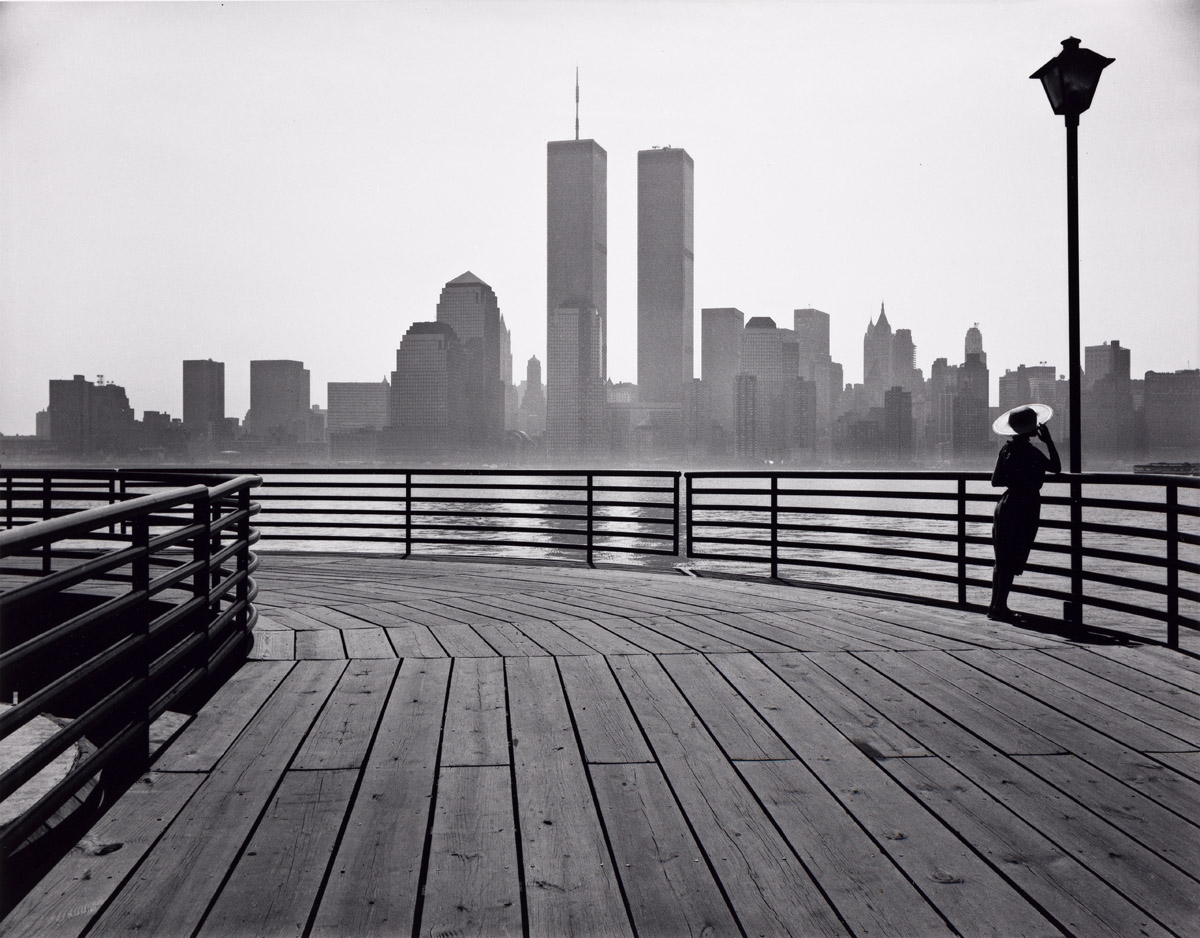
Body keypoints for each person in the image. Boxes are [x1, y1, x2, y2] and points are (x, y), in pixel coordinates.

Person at [989, 403, 1061, 622]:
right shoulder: (1031, 452)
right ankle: (1001, 607)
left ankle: (995, 605)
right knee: (1012, 557)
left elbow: (995, 481)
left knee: (1001, 557)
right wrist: (1048, 441)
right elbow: (1056, 467)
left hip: (1006, 504)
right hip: (1025, 505)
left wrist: (1014, 479)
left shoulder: (1007, 450)